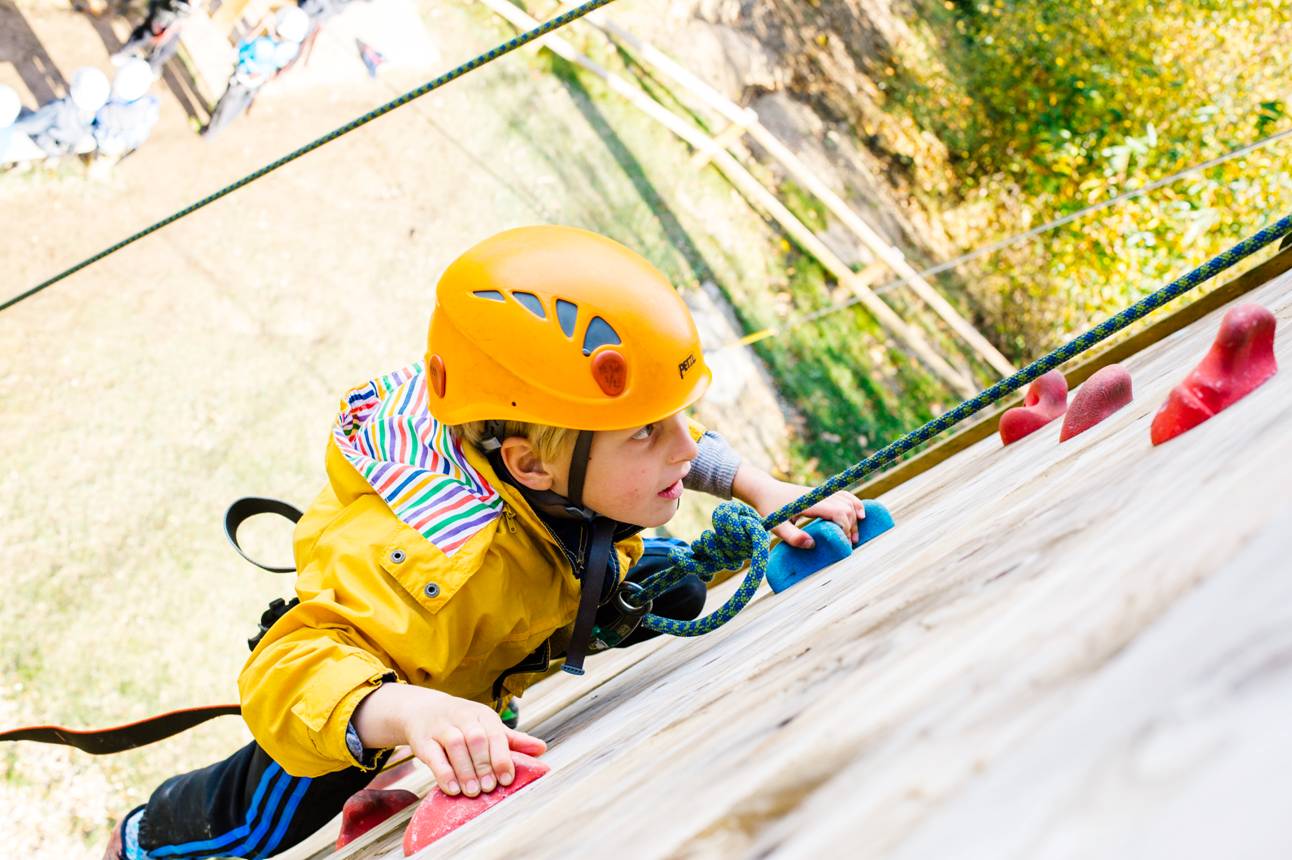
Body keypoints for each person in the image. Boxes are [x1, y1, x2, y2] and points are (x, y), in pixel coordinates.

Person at [103, 226, 868, 859]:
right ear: (529, 464)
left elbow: (678, 438)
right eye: (647, 431)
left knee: (671, 582)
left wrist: (763, 491)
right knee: (258, 819)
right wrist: (409, 716)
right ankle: (142, 840)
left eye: (673, 419)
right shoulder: (427, 561)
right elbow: (287, 674)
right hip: (380, 682)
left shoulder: (550, 445)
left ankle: (424, 749)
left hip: (506, 633)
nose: (681, 446)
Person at [201, 5, 310, 138]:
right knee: (238, 106)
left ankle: (210, 131)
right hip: (259, 81)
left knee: (226, 104)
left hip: (242, 78)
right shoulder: (291, 48)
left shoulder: (262, 46)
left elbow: (242, 46)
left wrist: (261, 26)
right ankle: (221, 124)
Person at [12, 67, 109, 158]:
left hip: (47, 142)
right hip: (62, 147)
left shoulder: (59, 109)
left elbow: (31, 125)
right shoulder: (98, 114)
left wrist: (8, 125)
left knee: (22, 112)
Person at [92, 59, 161, 161]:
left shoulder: (107, 108)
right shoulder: (150, 107)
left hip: (105, 142)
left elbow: (97, 123)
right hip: (124, 144)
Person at [111, 0, 195, 73]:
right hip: (165, 9)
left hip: (181, 13)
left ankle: (150, 67)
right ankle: (124, 52)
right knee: (148, 31)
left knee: (169, 47)